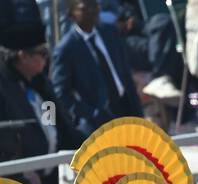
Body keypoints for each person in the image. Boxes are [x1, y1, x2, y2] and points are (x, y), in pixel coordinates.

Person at [0, 22, 83, 184]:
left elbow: (52, 123)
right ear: (23, 56)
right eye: (42, 54)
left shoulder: (40, 85)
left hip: (54, 173)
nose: (47, 60)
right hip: (26, 183)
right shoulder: (4, 91)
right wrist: (22, 170)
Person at [51, 0, 144, 136]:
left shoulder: (110, 32)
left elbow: (124, 70)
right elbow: (61, 93)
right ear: (72, 15)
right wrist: (90, 113)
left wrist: (136, 106)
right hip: (98, 120)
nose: (92, 10)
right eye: (85, 8)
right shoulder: (66, 49)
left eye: (94, 5)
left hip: (126, 106)